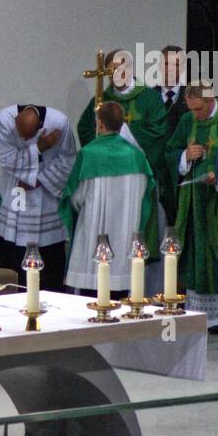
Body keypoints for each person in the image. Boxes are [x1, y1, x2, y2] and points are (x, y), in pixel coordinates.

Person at [167, 84, 218, 330]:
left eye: (199, 109)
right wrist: (185, 156)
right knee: (197, 254)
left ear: (211, 101)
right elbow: (170, 152)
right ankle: (200, 312)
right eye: (191, 109)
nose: (195, 115)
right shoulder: (187, 121)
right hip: (194, 203)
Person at [59, 101, 158, 295]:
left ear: (100, 123)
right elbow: (146, 195)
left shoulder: (88, 154)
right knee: (119, 293)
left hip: (94, 232)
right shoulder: (137, 156)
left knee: (92, 292)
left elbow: (75, 197)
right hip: (126, 231)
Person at [76, 49, 172, 218]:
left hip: (138, 172)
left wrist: (124, 131)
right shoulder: (100, 100)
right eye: (111, 70)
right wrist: (103, 145)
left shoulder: (150, 98)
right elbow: (85, 129)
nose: (116, 74)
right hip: (108, 175)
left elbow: (159, 133)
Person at [0, 103, 76, 292]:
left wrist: (39, 180)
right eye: (20, 134)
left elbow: (69, 159)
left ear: (39, 126)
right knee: (13, 262)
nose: (23, 139)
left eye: (27, 137)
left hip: (46, 197)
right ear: (16, 120)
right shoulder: (5, 120)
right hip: (15, 194)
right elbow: (7, 159)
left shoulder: (59, 123)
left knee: (48, 273)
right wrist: (38, 147)